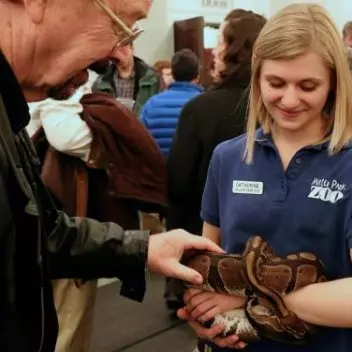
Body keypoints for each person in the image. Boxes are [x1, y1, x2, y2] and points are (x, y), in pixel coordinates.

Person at [0, 1, 223, 351]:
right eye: (121, 24)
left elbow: (42, 233)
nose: (114, 55)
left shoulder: (10, 113)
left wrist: (143, 247)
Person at [178, 3, 352, 352]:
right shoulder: (228, 157)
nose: (289, 99)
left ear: (333, 84)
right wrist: (204, 315)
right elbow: (206, 266)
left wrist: (248, 302)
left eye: (307, 85)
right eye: (276, 82)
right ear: (257, 77)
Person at [141, 49, 203, 158]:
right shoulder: (205, 103)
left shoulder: (151, 104)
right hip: (193, 172)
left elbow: (139, 139)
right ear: (197, 75)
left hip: (159, 169)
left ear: (173, 74)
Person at [93, 42, 160, 114]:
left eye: (122, 47)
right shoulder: (100, 83)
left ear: (132, 48)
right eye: (113, 49)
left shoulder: (154, 78)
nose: (117, 53)